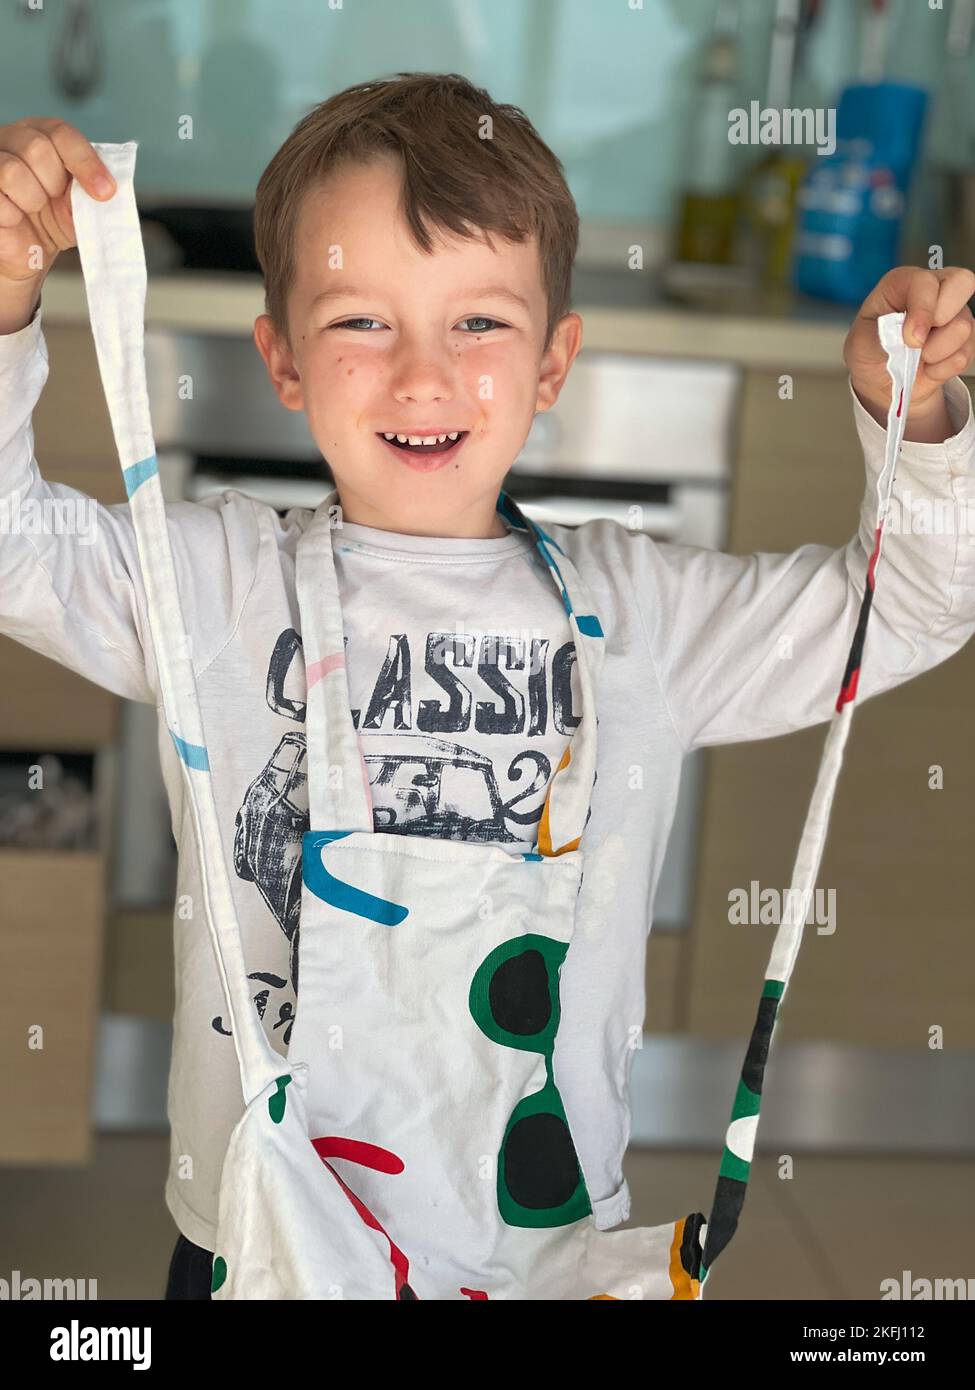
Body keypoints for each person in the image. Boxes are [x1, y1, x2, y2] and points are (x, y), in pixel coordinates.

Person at [1, 74, 973, 1302]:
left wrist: (914, 415)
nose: (421, 375)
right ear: (282, 358)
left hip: (539, 1252)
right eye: (361, 322)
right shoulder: (213, 584)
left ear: (555, 359)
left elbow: (916, 604)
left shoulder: (647, 621)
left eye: (479, 325)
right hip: (262, 1237)